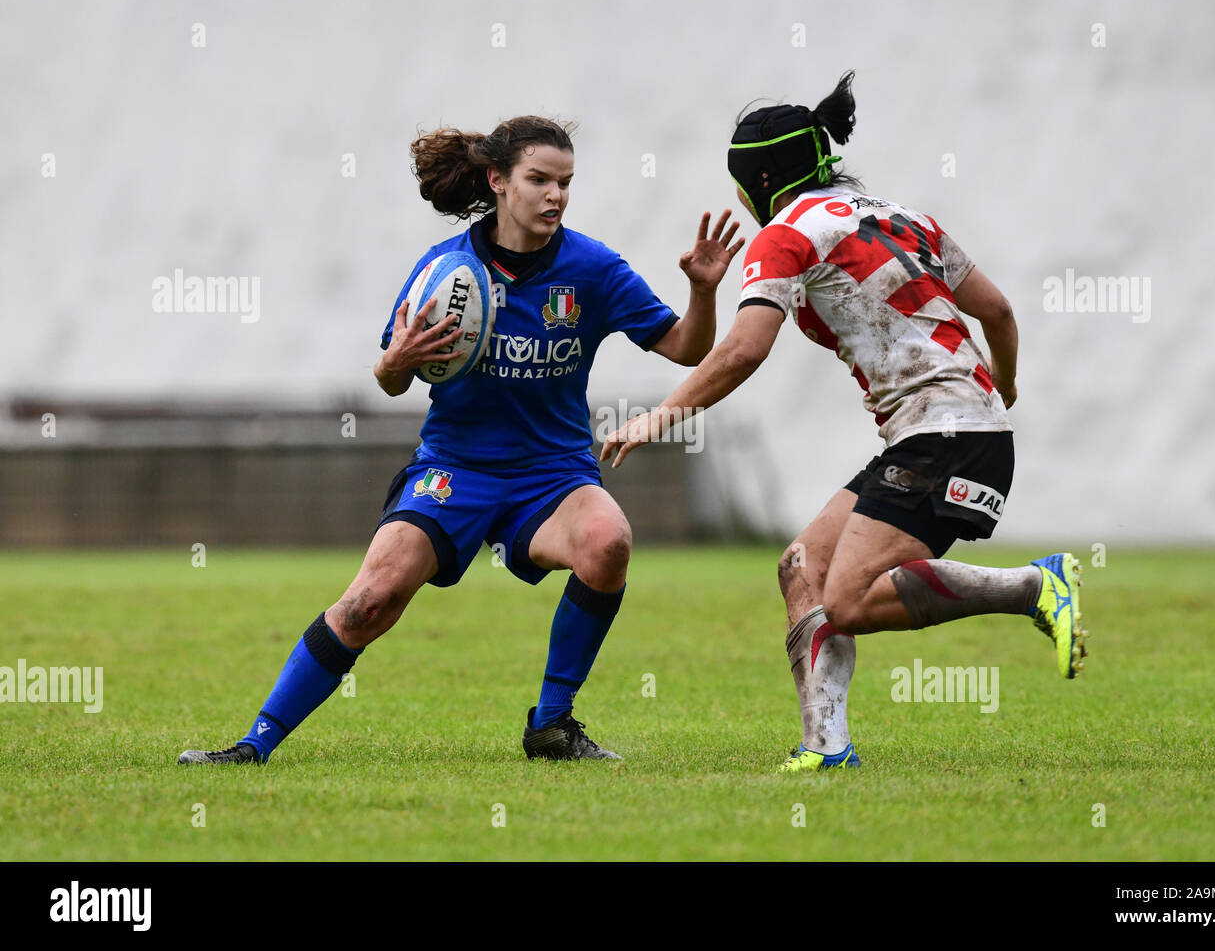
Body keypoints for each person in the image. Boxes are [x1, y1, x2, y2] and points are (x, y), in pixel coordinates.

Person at [179, 115, 743, 764]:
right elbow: (392, 380)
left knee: (608, 540)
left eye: (565, 182)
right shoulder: (445, 273)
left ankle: (552, 726)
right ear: (498, 180)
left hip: (552, 475)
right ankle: (255, 744)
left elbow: (685, 349)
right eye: (539, 180)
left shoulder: (593, 269)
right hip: (455, 470)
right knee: (371, 601)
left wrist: (703, 292)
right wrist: (393, 365)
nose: (555, 195)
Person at [601, 73, 1089, 773]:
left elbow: (743, 349)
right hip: (953, 431)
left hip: (946, 438)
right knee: (803, 565)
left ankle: (1036, 588)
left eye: (740, 183)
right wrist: (1003, 386)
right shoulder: (905, 217)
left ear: (761, 178)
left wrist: (661, 417)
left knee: (849, 599)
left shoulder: (785, 234)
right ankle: (826, 748)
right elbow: (999, 312)